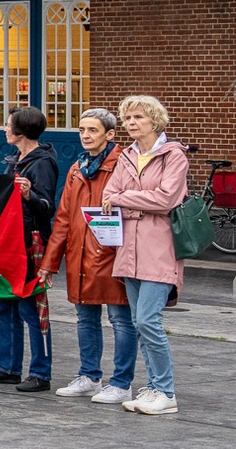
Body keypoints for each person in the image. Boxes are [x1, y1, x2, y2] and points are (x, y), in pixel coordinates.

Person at [40, 108, 133, 403]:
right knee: (85, 318)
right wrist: (50, 263)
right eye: (82, 130)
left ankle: (121, 382)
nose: (85, 136)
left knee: (121, 319)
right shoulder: (77, 168)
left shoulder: (124, 165)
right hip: (81, 254)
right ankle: (90, 376)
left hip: (113, 253)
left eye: (92, 130)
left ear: (110, 135)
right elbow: (64, 218)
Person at [102, 94, 187, 416]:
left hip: (159, 248)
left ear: (154, 120)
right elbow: (109, 194)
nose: (131, 124)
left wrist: (125, 199)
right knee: (139, 323)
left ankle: (166, 391)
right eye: (128, 119)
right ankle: (153, 386)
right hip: (130, 250)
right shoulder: (126, 156)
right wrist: (131, 199)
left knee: (148, 320)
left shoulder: (173, 156)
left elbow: (166, 199)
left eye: (138, 117)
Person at [0, 107, 58, 392]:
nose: (4, 129)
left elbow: (47, 207)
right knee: (6, 306)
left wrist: (30, 195)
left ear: (21, 131)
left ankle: (40, 372)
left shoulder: (42, 163)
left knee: (32, 308)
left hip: (30, 243)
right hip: (10, 243)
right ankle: (8, 367)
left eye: (8, 125)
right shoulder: (16, 161)